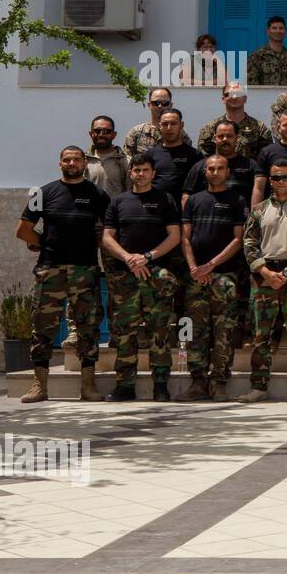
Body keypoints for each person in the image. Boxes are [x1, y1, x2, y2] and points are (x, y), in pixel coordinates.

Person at [15, 147, 109, 403]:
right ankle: (39, 386)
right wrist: (42, 244)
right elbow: (23, 230)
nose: (72, 163)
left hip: (85, 269)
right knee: (42, 327)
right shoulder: (42, 193)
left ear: (84, 163)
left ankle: (88, 386)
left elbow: (110, 230)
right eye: (67, 159)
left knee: (88, 327)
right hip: (50, 269)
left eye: (76, 159)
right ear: (60, 164)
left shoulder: (97, 194)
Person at [101, 153, 181, 402]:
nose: (141, 174)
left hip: (156, 275)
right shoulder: (118, 202)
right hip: (126, 276)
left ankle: (160, 385)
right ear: (130, 173)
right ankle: (125, 385)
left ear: (153, 173)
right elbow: (106, 237)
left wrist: (147, 257)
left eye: (146, 170)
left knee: (160, 331)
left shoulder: (165, 200)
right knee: (125, 332)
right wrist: (128, 258)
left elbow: (175, 236)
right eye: (136, 170)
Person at [238, 159, 287, 404]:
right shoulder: (259, 209)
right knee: (261, 335)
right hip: (264, 276)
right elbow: (249, 242)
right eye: (275, 178)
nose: (280, 182)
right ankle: (258, 386)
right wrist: (264, 271)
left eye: (285, 177)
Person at [177, 154, 246, 401]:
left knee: (224, 331)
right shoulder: (193, 201)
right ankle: (197, 382)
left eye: (220, 168)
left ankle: (218, 382)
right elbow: (185, 237)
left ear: (228, 172)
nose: (215, 172)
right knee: (195, 330)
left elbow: (238, 240)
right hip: (196, 277)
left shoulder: (237, 200)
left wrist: (211, 265)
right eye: (211, 169)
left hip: (224, 276)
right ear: (205, 172)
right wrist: (195, 267)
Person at [183, 120, 257, 204]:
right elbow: (187, 195)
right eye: (221, 136)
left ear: (237, 138)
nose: (225, 139)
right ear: (214, 138)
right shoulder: (200, 166)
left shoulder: (250, 165)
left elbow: (260, 193)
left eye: (229, 136)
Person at [147, 108, 202, 204]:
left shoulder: (195, 155)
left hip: (185, 211)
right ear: (159, 126)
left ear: (181, 125)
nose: (169, 128)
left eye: (173, 124)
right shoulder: (150, 155)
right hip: (155, 209)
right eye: (165, 124)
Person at [247, 15, 287, 86]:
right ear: (268, 31)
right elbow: (251, 83)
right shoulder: (257, 56)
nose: (278, 31)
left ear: (285, 31)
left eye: (281, 28)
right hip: (264, 96)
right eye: (274, 28)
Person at [87, 116, 129, 197]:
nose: (101, 135)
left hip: (116, 209)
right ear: (91, 134)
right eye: (97, 131)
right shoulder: (83, 161)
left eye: (106, 131)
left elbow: (131, 191)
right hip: (89, 209)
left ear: (114, 135)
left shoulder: (126, 161)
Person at [124, 87, 172, 157]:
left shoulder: (179, 134)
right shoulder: (136, 133)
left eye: (165, 103)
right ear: (149, 105)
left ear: (170, 105)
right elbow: (128, 161)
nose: (160, 106)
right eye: (156, 103)